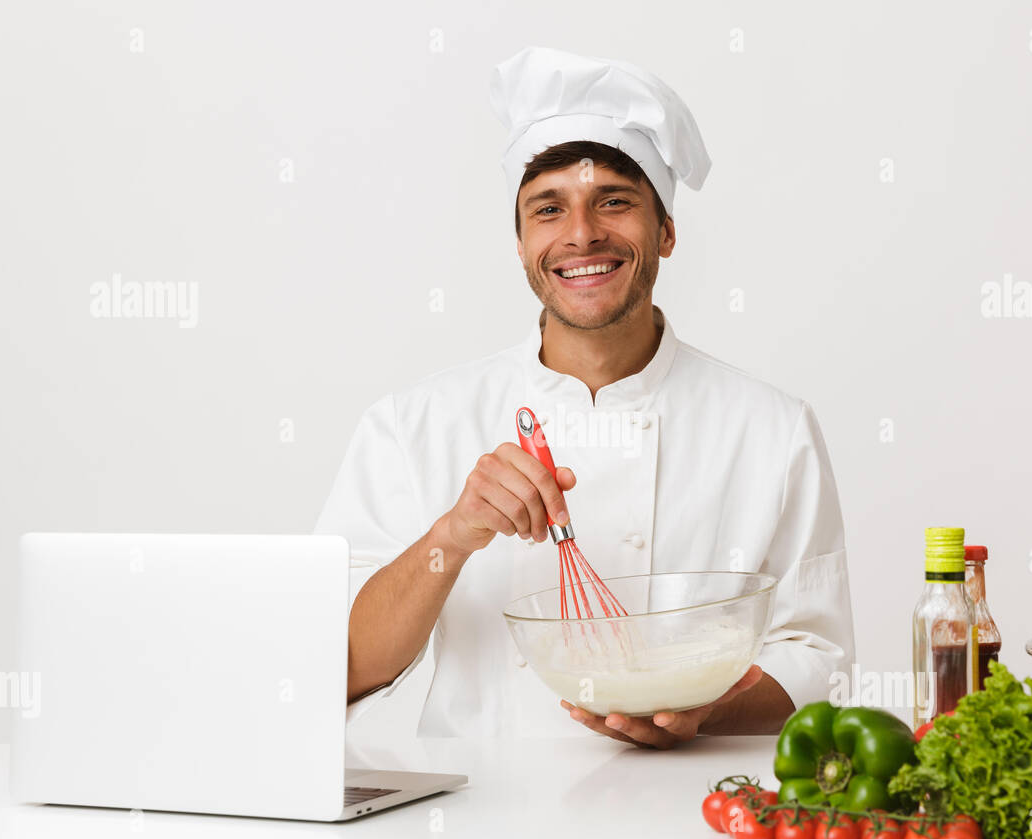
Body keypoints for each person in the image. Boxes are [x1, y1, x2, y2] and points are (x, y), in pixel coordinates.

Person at [314, 46, 854, 747]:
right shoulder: (411, 427)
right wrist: (450, 536)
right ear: (520, 244)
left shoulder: (771, 430)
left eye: (615, 201)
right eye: (548, 209)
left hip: (688, 824)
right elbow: (334, 664)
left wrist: (707, 709)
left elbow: (821, 664)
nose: (581, 234)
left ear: (665, 230)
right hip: (475, 827)